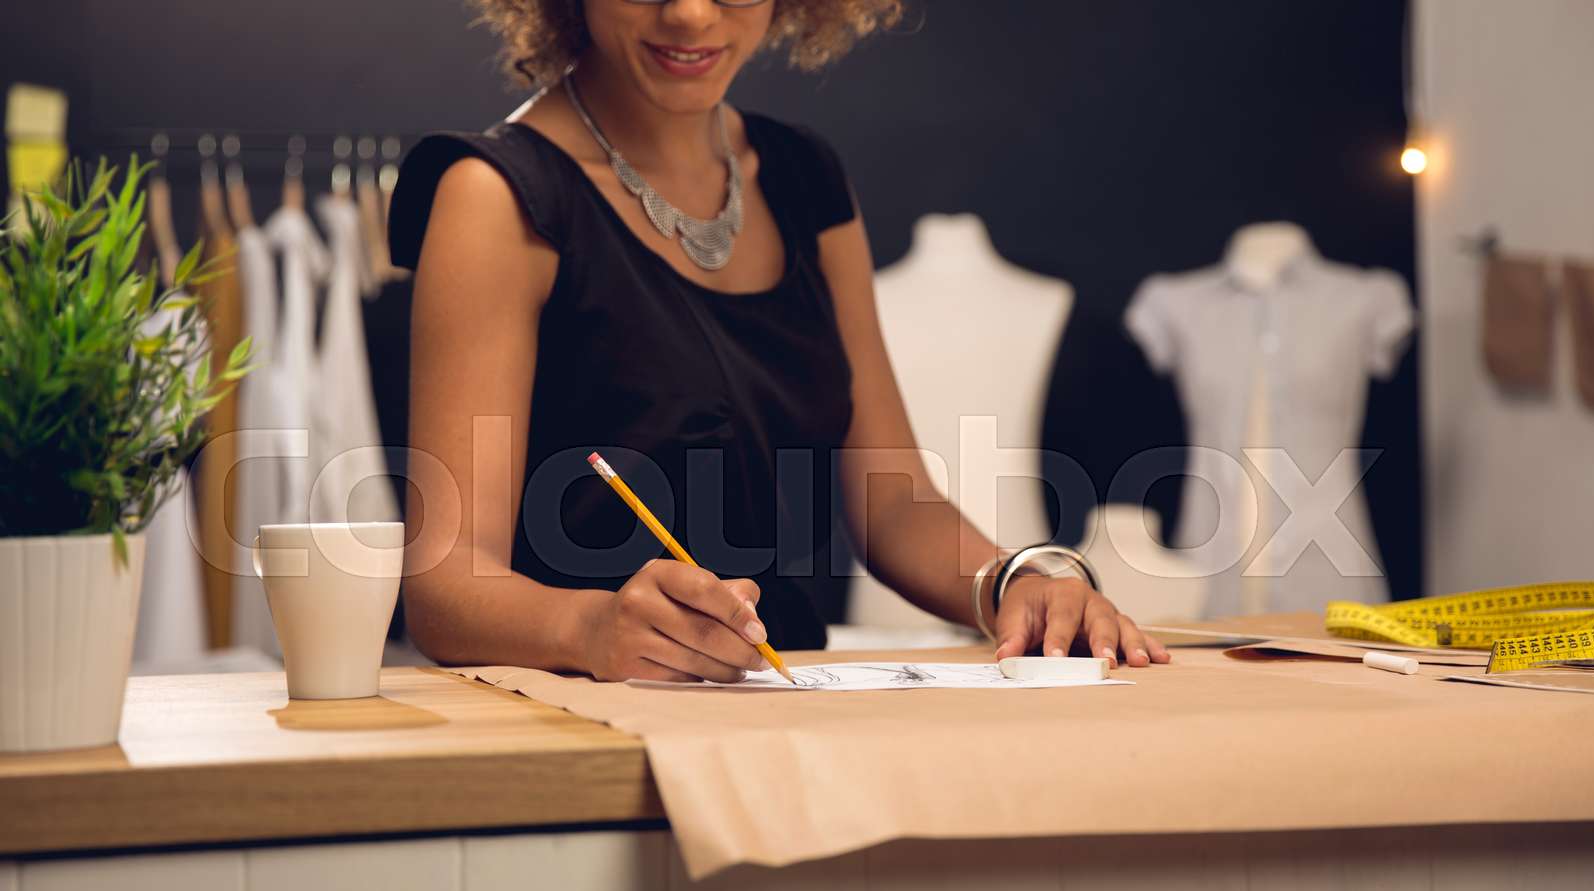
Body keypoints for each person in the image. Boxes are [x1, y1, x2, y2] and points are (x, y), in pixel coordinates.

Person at [389, 0, 1171, 682]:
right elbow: (444, 584)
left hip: (781, 711)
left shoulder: (805, 178)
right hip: (579, 721)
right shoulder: (494, 196)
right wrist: (590, 628)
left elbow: (894, 500)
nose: (692, 13)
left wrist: (1011, 581)